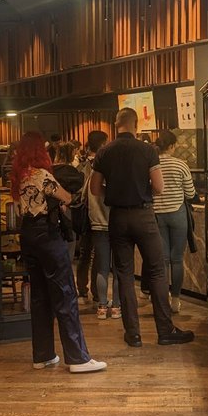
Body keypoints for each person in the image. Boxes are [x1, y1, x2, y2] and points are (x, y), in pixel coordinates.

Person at [90, 108, 194, 348]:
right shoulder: (147, 150)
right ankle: (165, 331)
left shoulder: (105, 151)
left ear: (116, 124)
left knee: (124, 274)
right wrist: (141, 191)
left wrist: (115, 194)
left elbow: (95, 189)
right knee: (156, 271)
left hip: (117, 217)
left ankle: (133, 334)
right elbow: (158, 187)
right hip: (144, 215)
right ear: (135, 124)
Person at [10, 131, 106, 373]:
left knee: (40, 297)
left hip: (28, 236)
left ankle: (42, 355)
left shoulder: (19, 176)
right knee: (65, 293)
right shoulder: (42, 175)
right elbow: (67, 197)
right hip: (48, 235)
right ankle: (77, 358)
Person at [152, 130, 196, 313]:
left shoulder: (151, 164)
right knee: (177, 259)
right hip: (178, 213)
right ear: (171, 146)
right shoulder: (180, 164)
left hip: (157, 214)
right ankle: (176, 300)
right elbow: (190, 193)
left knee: (162, 260)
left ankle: (163, 299)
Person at [85, 135, 121, 321]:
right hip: (115, 224)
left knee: (102, 269)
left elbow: (84, 198)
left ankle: (101, 307)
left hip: (97, 224)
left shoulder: (91, 175)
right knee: (118, 269)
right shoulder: (112, 174)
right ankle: (116, 307)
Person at [76, 131, 107, 304]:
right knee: (98, 256)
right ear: (103, 144)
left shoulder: (81, 165)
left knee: (84, 254)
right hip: (100, 214)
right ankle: (96, 294)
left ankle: (82, 291)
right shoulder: (103, 164)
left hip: (85, 213)